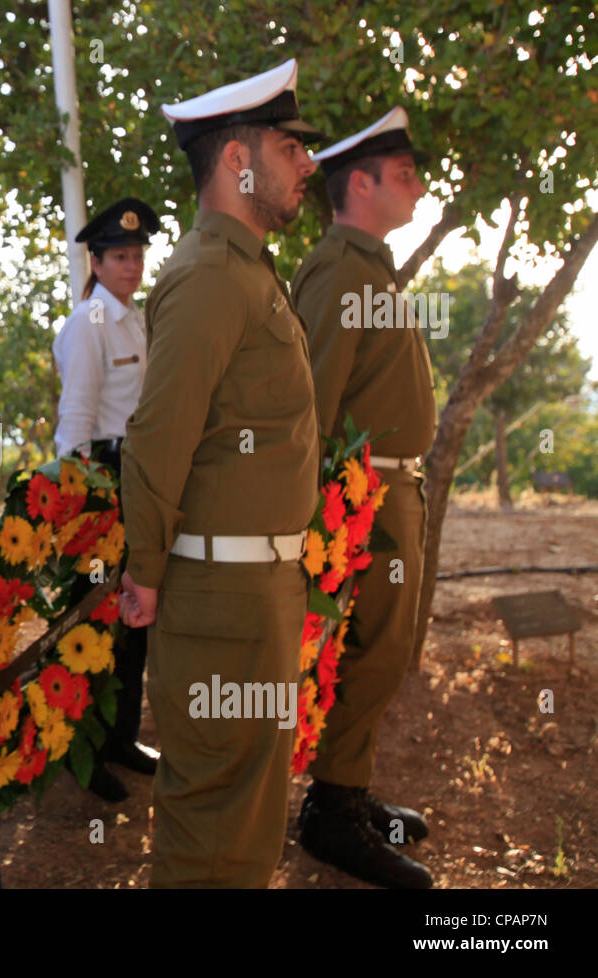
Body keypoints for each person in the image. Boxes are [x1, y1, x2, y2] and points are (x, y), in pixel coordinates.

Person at [119, 58, 322, 887]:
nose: (308, 163)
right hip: (220, 599)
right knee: (213, 833)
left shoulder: (245, 269)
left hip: (254, 592)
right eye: (290, 147)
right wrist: (146, 571)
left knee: (248, 821)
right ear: (238, 160)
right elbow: (157, 437)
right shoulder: (209, 275)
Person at [291, 107, 436, 889]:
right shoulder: (342, 271)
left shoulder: (371, 266)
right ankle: (331, 812)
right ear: (361, 185)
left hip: (389, 489)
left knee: (382, 649)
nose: (419, 188)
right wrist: (318, 521)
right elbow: (310, 407)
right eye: (405, 176)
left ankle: (345, 788)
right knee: (367, 649)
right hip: (362, 497)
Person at [52, 197, 162, 802]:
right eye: (119, 256)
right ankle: (84, 752)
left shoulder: (136, 319)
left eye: (137, 255)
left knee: (135, 609)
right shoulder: (88, 324)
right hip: (100, 475)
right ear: (95, 262)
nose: (131, 266)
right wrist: (78, 502)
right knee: (95, 616)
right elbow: (75, 417)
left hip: (138, 473)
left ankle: (121, 738)